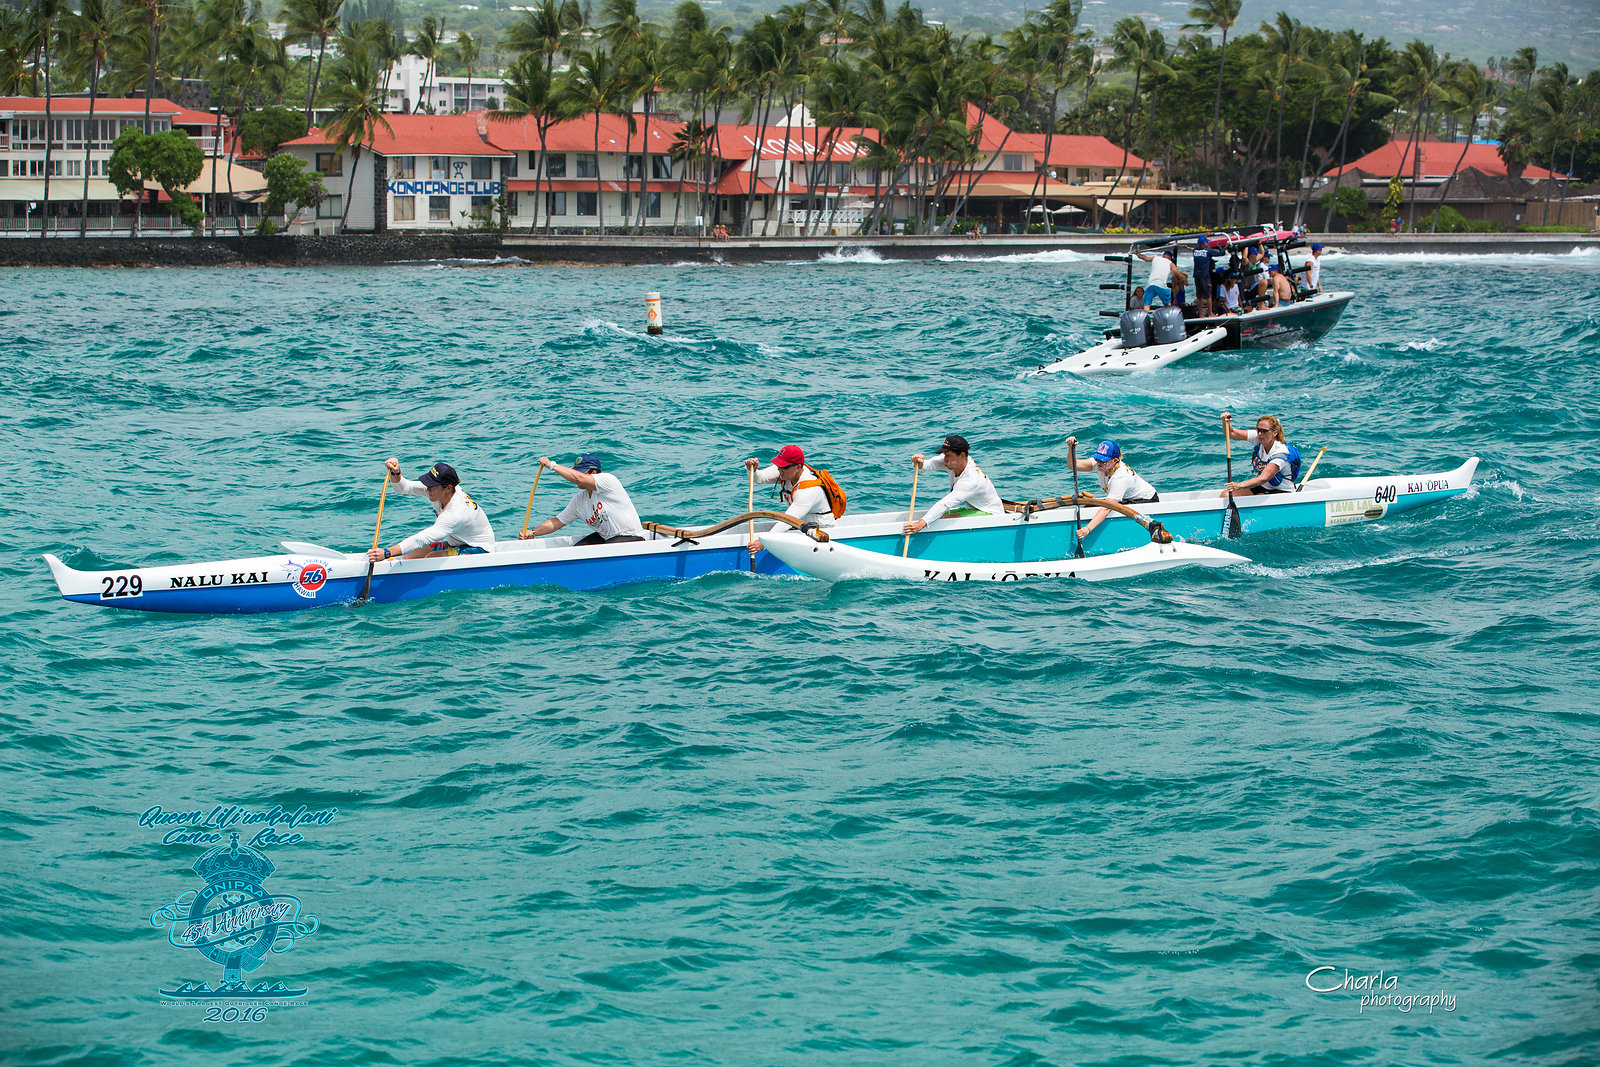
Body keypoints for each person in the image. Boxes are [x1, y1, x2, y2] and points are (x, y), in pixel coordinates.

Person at [367, 459, 495, 563]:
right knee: (409, 556)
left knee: (431, 558)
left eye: (432, 486)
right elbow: (405, 488)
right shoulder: (439, 491)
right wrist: (396, 473)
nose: (428, 489)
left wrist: (387, 552)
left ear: (448, 488)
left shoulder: (456, 513)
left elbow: (421, 539)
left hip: (479, 548)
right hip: (457, 542)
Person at [518, 453, 645, 545]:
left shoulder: (608, 481)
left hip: (632, 538)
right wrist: (533, 533)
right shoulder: (579, 500)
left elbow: (578, 478)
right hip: (607, 538)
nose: (578, 476)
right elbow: (557, 521)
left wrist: (551, 465)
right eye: (577, 471)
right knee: (578, 549)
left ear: (594, 473)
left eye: (582, 472)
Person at [744, 444, 837, 558]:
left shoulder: (809, 490)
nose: (779, 470)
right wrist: (752, 469)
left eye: (784, 467)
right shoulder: (786, 471)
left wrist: (763, 543)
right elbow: (758, 478)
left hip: (820, 533)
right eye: (778, 465)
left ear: (798, 467)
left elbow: (788, 519)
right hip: (799, 528)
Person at [903, 434, 1003, 537]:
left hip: (990, 513)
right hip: (973, 508)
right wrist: (920, 463)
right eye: (945, 455)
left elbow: (944, 504)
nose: (945, 460)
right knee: (936, 516)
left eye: (948, 455)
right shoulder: (954, 461)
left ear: (962, 455)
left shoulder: (971, 480)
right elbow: (928, 466)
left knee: (939, 519)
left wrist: (920, 525)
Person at [1065, 436, 1159, 543]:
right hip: (1125, 498)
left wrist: (1088, 529)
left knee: (1107, 509)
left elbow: (1107, 508)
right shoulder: (1102, 464)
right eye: (1097, 459)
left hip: (1146, 500)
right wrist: (1071, 448)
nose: (1099, 463)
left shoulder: (1120, 478)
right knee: (1088, 506)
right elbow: (1073, 465)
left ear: (1114, 461)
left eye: (1103, 461)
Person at [1218, 412, 1297, 495]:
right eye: (1258, 430)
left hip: (1282, 491)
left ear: (1275, 433)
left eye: (1264, 431)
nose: (1259, 434)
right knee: (1226, 494)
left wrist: (1239, 485)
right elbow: (1230, 433)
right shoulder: (1259, 438)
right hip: (1263, 487)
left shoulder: (1281, 452)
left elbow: (1263, 478)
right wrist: (1225, 422)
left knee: (1259, 496)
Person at [1192, 236, 1214, 317]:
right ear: (1204, 243)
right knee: (1208, 295)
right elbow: (1220, 253)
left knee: (1199, 296)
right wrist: (1225, 246)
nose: (1208, 244)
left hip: (1196, 276)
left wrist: (1206, 235)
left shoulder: (1194, 251)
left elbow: (1199, 248)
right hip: (1204, 276)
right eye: (1207, 242)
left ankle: (1201, 314)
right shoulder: (1208, 251)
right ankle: (1210, 313)